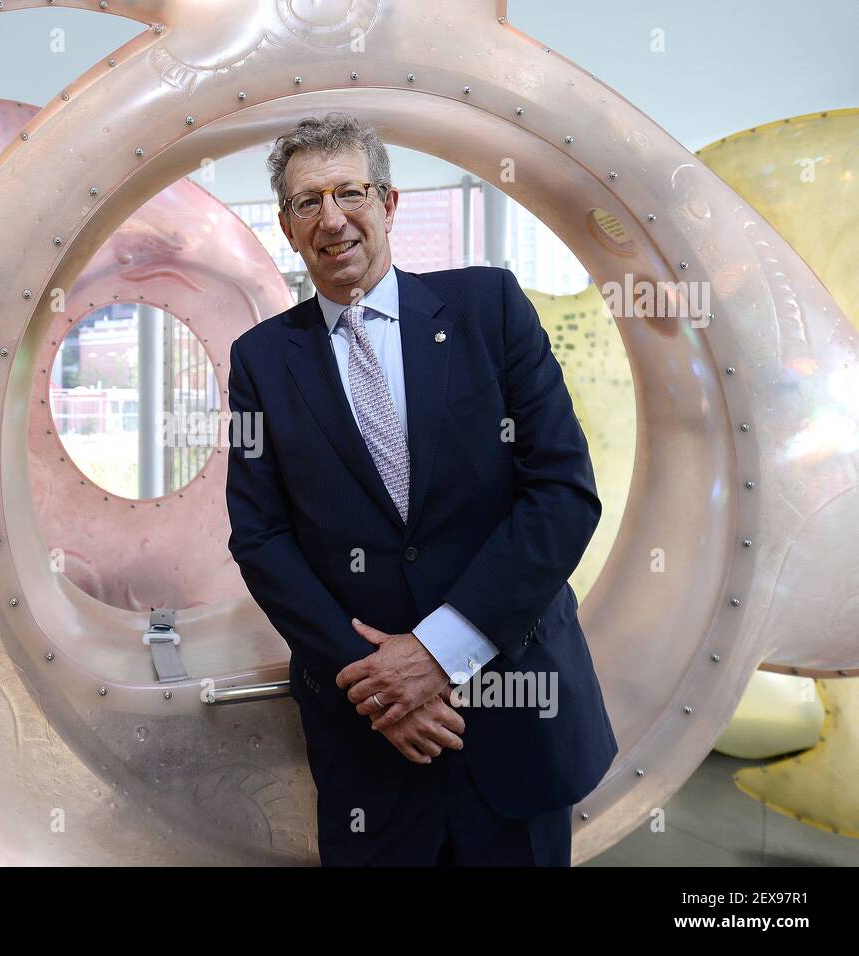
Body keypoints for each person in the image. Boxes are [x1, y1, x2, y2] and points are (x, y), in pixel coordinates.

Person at [225, 112, 617, 866]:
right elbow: (260, 537)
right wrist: (377, 685)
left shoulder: (491, 310)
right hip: (370, 739)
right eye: (309, 202)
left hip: (513, 717)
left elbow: (562, 492)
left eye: (351, 192)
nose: (332, 219)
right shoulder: (259, 363)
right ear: (286, 225)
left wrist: (440, 652)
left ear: (390, 204)